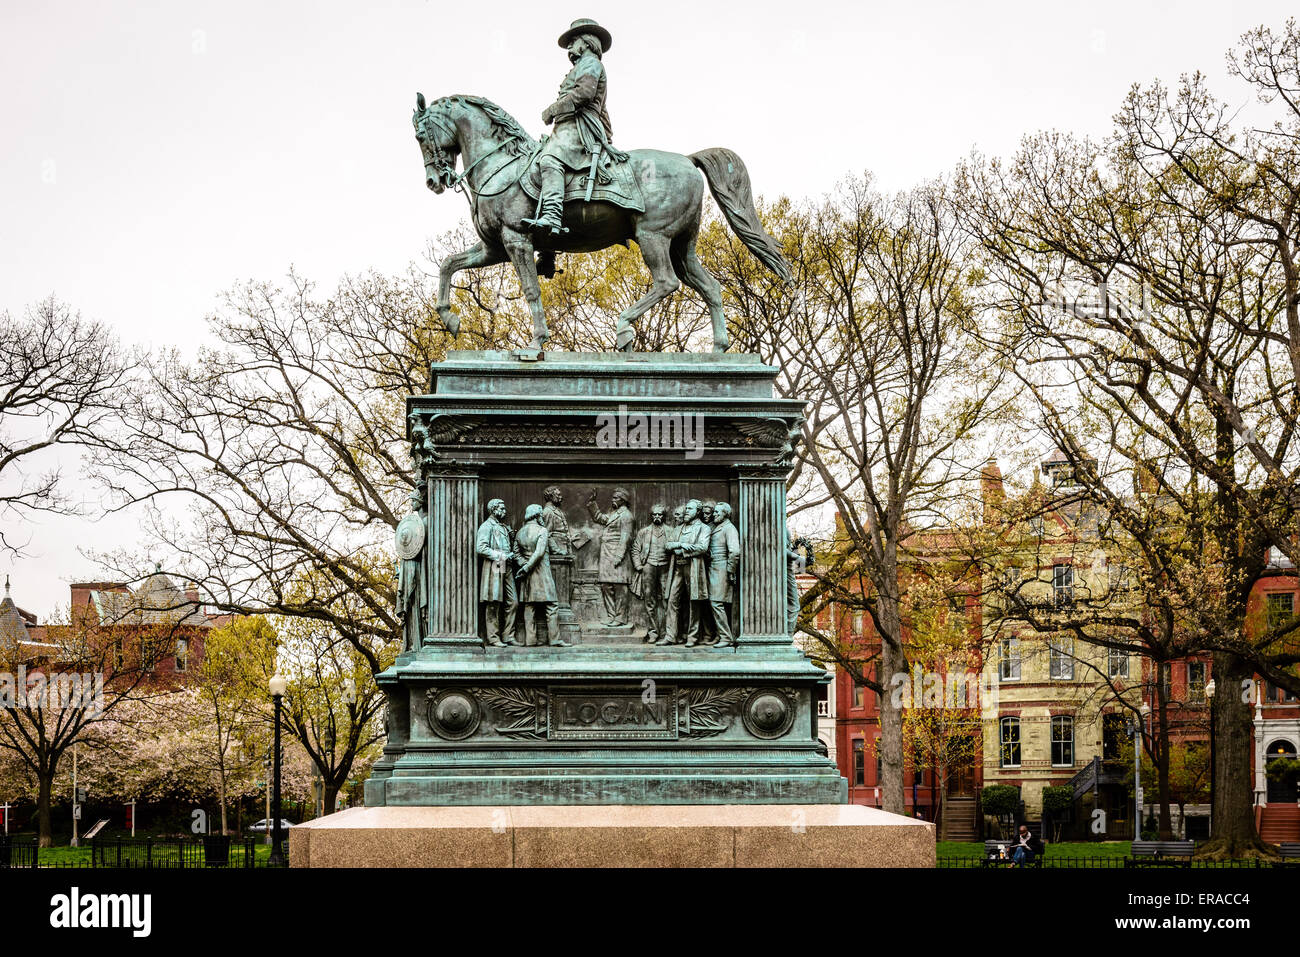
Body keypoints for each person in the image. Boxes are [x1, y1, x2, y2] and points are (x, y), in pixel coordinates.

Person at [523, 18, 628, 236]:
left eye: (573, 41)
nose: (569, 47)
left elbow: (585, 94)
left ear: (587, 42)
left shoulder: (590, 63)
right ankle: (547, 248)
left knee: (550, 160)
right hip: (568, 127)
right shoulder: (582, 66)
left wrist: (554, 109)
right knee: (534, 161)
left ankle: (552, 215)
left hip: (579, 127)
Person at [514, 504, 567, 646]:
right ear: (537, 516)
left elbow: (516, 554)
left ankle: (530, 640)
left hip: (527, 575)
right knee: (551, 605)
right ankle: (554, 639)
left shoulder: (520, 532)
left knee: (529, 607)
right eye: (541, 515)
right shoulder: (542, 530)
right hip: (542, 573)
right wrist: (527, 567)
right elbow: (539, 553)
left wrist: (523, 564)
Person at [661, 500, 712, 646]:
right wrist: (682, 544)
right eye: (686, 509)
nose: (686, 511)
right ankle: (671, 636)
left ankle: (692, 637)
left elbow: (702, 547)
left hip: (693, 569)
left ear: (697, 512)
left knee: (693, 603)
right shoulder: (678, 528)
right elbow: (667, 545)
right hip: (677, 569)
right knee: (672, 601)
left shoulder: (704, 529)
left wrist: (681, 552)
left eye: (690, 509)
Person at [585, 487, 634, 626]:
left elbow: (626, 537)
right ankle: (611, 615)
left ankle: (620, 617)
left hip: (618, 556)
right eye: (612, 497)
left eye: (616, 498)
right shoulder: (614, 513)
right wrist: (592, 503)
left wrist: (618, 557)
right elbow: (599, 518)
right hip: (606, 554)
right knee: (606, 585)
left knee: (620, 587)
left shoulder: (626, 516)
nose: (613, 500)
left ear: (623, 500)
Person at [476, 498, 518, 646]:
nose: (504, 511)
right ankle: (493, 638)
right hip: (496, 564)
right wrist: (500, 555)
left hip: (506, 565)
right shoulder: (486, 526)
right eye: (502, 508)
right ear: (494, 509)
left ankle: (508, 635)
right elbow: (481, 548)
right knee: (493, 602)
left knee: (513, 602)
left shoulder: (503, 526)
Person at [631, 504, 671, 644]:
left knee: (667, 600)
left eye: (660, 514)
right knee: (650, 600)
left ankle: (667, 633)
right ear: (651, 516)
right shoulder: (644, 532)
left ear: (664, 516)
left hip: (666, 567)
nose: (657, 517)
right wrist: (638, 566)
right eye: (654, 514)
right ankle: (653, 632)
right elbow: (635, 549)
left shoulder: (670, 531)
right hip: (648, 566)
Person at [706, 502, 740, 647]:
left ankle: (726, 637)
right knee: (713, 603)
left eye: (717, 513)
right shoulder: (718, 527)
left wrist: (730, 571)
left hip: (722, 569)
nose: (714, 515)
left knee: (716, 603)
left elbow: (735, 552)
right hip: (713, 567)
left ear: (726, 514)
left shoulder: (729, 528)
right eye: (714, 512)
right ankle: (719, 635)